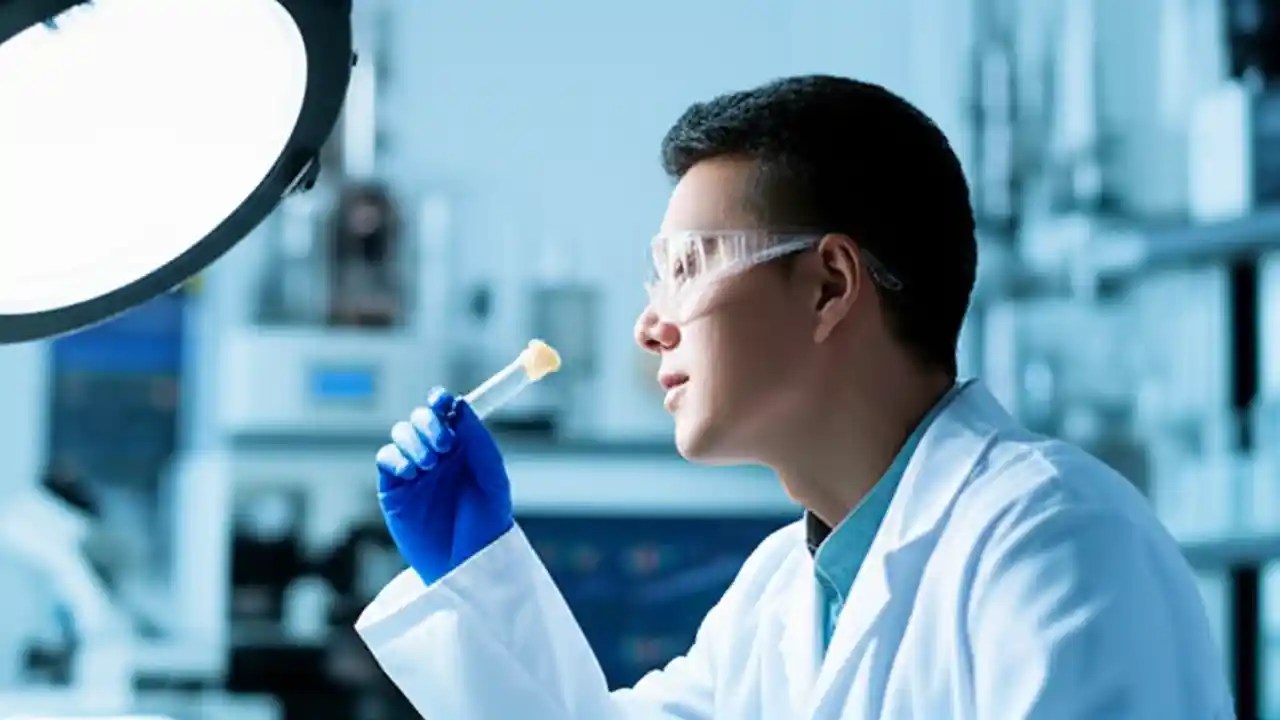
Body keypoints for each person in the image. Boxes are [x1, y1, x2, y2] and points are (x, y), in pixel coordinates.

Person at [356, 75, 1235, 719]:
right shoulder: (779, 597)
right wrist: (480, 570)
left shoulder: (1050, 539)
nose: (649, 326)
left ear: (828, 285)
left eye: (685, 272)